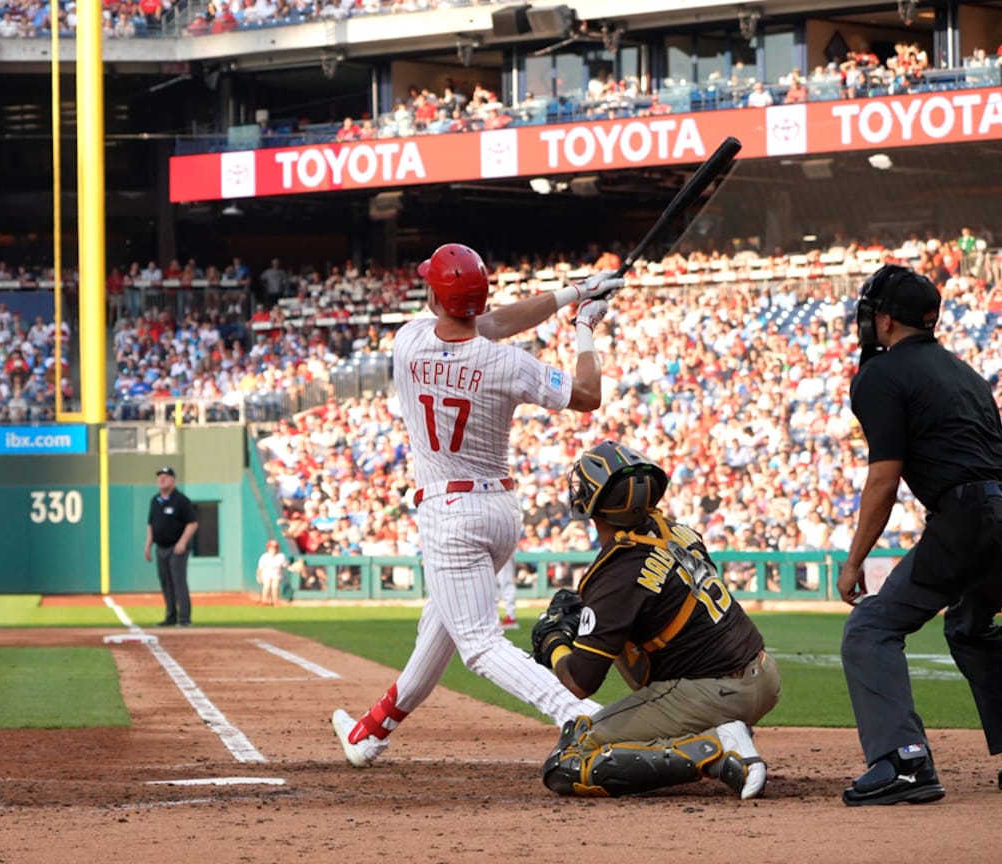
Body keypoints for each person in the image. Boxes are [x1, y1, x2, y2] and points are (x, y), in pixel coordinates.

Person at [329, 242, 621, 768]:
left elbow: (485, 320)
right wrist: (583, 320)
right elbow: (586, 393)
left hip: (448, 513)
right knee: (437, 628)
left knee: (480, 645)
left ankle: (577, 715)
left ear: (436, 298)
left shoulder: (408, 341)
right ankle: (369, 733)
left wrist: (571, 293)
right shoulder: (507, 362)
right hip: (500, 513)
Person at [837, 265, 1002, 806]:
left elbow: (884, 478)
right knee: (970, 623)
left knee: (870, 627)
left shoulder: (879, 375)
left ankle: (903, 761)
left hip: (972, 518)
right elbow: (997, 461)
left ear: (884, 321)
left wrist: (854, 563)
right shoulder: (963, 371)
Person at [529, 442, 778, 799]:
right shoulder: (677, 531)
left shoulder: (617, 572)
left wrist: (553, 641)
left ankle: (718, 748)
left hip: (713, 691)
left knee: (568, 760)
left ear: (592, 501)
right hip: (762, 674)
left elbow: (580, 682)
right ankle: (721, 734)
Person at [145, 466, 199, 627]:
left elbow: (193, 523)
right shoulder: (155, 500)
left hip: (176, 548)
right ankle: (170, 616)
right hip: (160, 547)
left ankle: (184, 618)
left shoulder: (181, 500)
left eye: (166, 477)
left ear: (173, 480)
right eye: (160, 476)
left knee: (178, 582)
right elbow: (151, 525)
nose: (162, 479)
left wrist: (182, 542)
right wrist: (147, 545)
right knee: (165, 582)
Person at [256, 539, 288, 606]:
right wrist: (258, 576)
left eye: (275, 547)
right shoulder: (264, 556)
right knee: (266, 586)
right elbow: (260, 568)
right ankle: (264, 601)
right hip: (266, 574)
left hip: (277, 574)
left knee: (275, 586)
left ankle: (275, 602)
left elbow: (286, 566)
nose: (273, 549)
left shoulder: (281, 556)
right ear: (268, 548)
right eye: (271, 547)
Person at [497, 553, 519, 629]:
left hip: (502, 547)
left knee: (506, 582)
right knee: (492, 585)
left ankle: (511, 618)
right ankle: (494, 619)